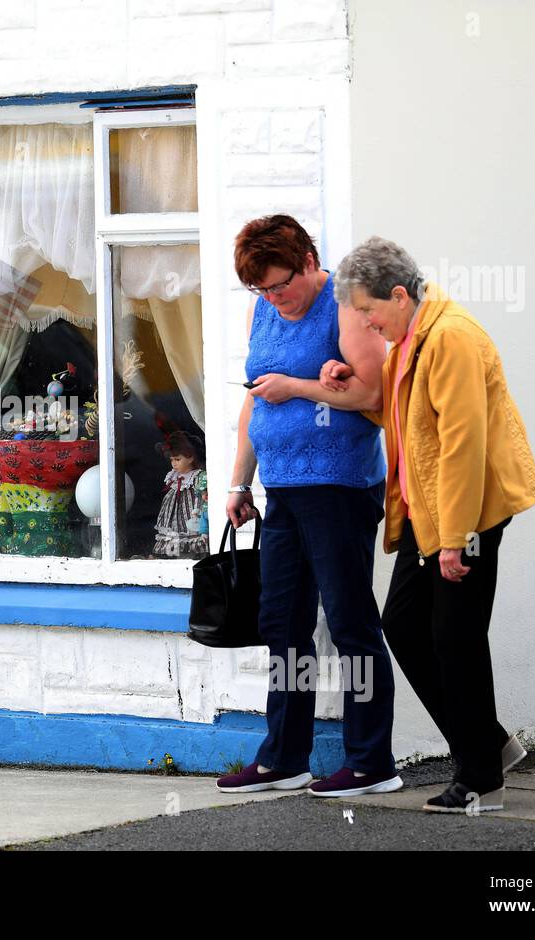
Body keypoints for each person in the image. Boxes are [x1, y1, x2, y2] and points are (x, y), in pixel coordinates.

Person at [321, 236, 535, 812]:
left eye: (370, 312)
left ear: (399, 295)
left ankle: (481, 780)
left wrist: (456, 539)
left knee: (456, 639)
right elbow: (408, 418)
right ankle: (488, 746)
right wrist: (355, 391)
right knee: (405, 625)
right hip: (431, 511)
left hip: (464, 514)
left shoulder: (450, 338)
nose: (369, 326)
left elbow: (462, 446)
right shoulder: (412, 338)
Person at [217, 216, 401, 798]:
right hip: (283, 489)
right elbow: (254, 403)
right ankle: (284, 756)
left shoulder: (343, 305)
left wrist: (296, 387)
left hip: (340, 486)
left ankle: (373, 762)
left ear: (307, 261)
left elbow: (372, 392)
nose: (276, 298)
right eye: (263, 290)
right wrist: (239, 483)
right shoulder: (263, 313)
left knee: (349, 622)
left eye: (281, 285)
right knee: (282, 624)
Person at [152, 431, 209, 559]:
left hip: (192, 517)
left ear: (191, 457)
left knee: (193, 540)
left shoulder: (198, 476)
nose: (174, 463)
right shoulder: (173, 476)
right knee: (176, 541)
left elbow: (205, 496)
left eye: (178, 459)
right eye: (172, 459)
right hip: (174, 518)